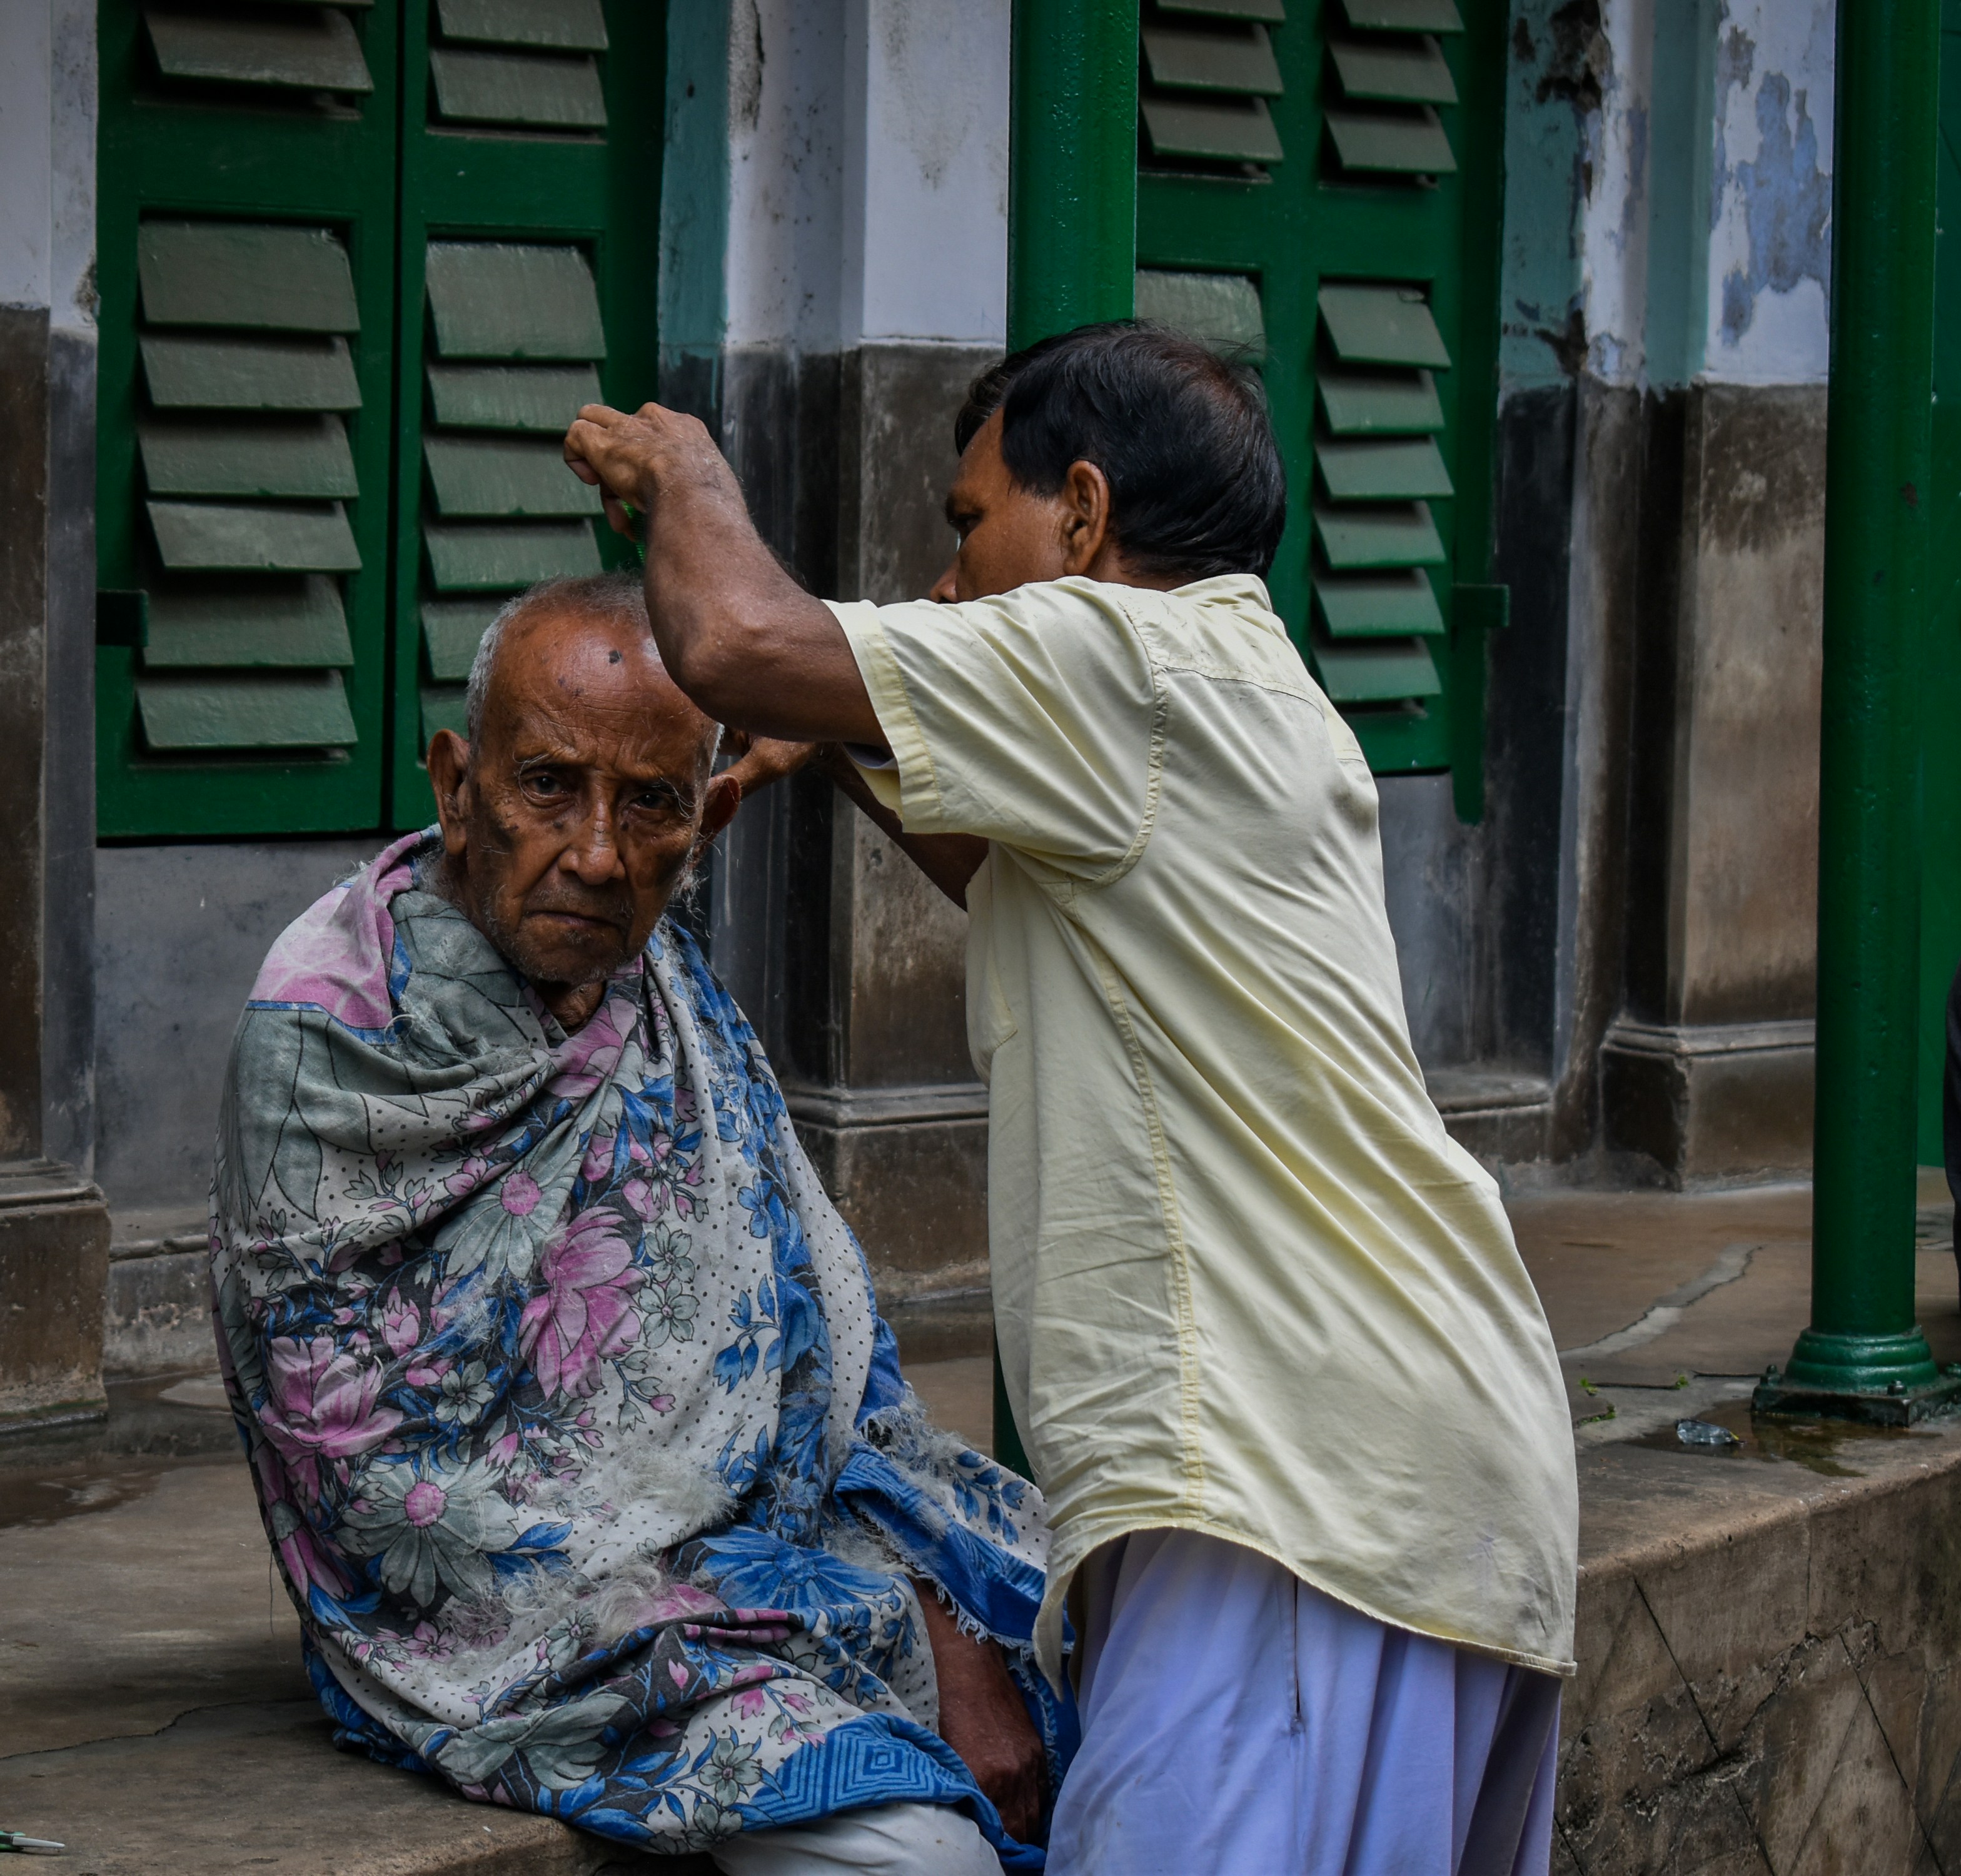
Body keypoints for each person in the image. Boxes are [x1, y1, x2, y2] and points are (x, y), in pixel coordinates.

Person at [561, 323, 1580, 1874]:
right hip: (1410, 1478)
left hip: (1286, 1494)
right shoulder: (1241, 688)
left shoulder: (1129, 659)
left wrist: (687, 475)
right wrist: (844, 746)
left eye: (973, 526)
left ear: (1087, 517)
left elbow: (731, 639)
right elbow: (1018, 880)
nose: (952, 582)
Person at [211, 575, 1076, 1873]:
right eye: (547, 786)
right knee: (919, 1857)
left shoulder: (664, 995)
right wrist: (852, 1616)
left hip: (763, 1563)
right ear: (456, 785)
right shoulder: (333, 1038)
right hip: (529, 1630)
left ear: (706, 821)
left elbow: (820, 1351)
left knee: (1136, 1643)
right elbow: (383, 1492)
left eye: (652, 804)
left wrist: (933, 1605)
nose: (601, 854)